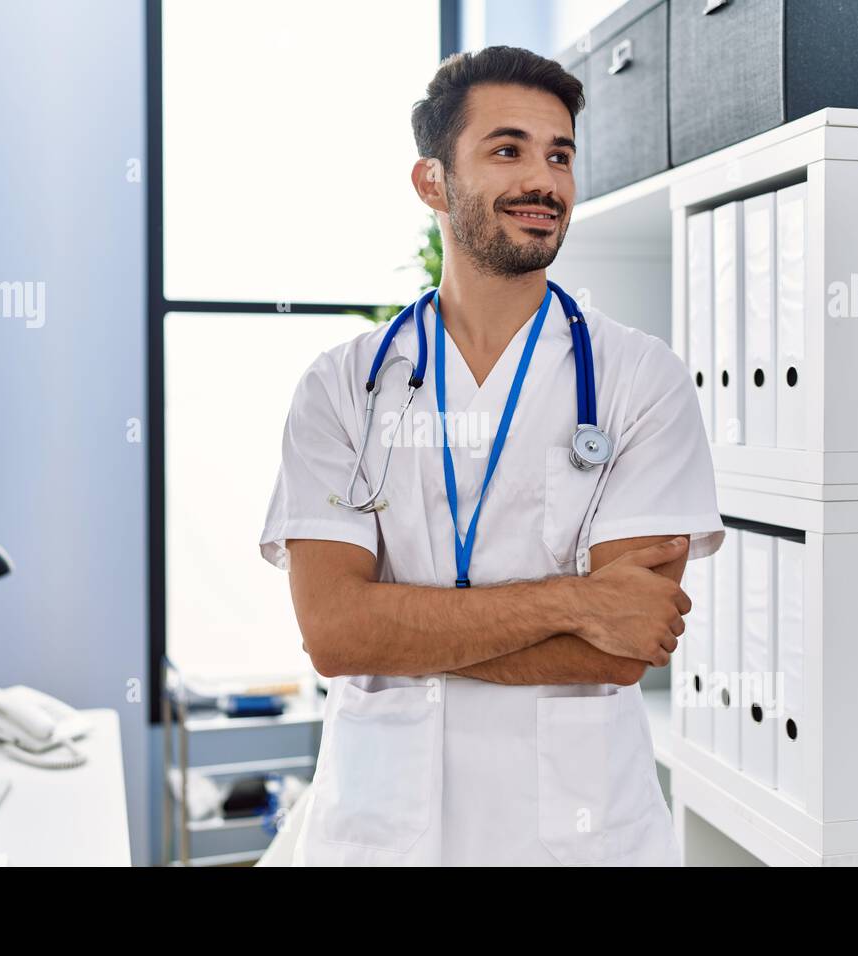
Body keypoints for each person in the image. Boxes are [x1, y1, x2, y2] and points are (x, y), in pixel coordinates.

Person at [258, 45, 724, 866]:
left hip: (577, 836)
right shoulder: (342, 389)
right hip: (383, 834)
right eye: (507, 150)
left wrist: (405, 630)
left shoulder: (640, 379)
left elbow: (623, 646)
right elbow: (334, 633)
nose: (543, 181)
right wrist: (576, 599)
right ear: (432, 182)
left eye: (561, 155)